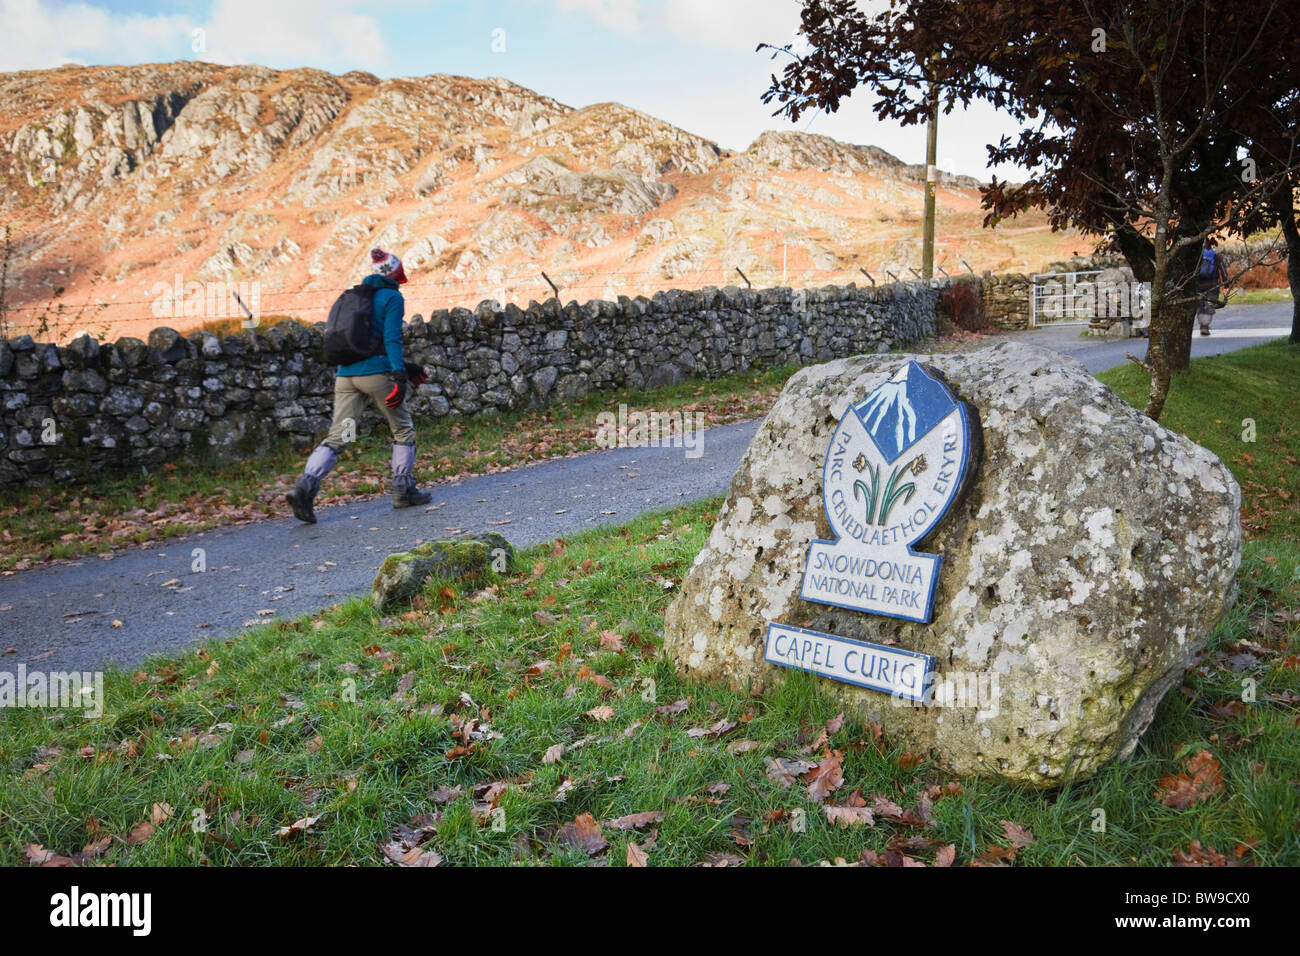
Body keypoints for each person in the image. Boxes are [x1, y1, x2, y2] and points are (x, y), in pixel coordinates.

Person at [286, 248, 432, 523]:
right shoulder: (391, 297)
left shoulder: (353, 297)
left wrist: (403, 367)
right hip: (377, 375)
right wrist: (400, 377)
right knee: (402, 429)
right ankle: (403, 489)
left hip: (345, 375)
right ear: (393, 273)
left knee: (339, 435)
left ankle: (305, 488)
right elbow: (390, 340)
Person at [1195, 237, 1229, 336]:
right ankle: (1205, 326)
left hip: (1198, 286)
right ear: (1210, 244)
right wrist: (1226, 285)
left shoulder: (1196, 258)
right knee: (1209, 306)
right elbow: (1223, 272)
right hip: (1212, 286)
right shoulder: (1216, 257)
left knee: (1200, 307)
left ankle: (1202, 325)